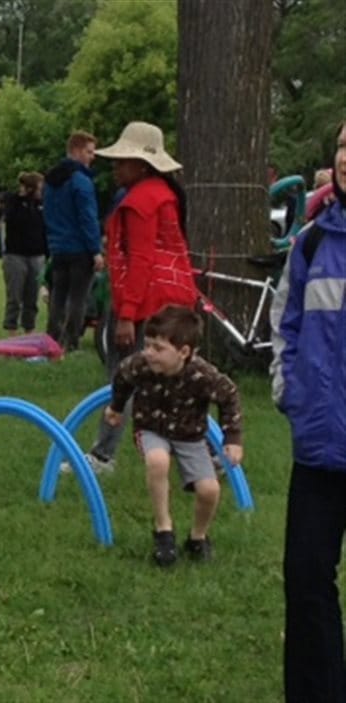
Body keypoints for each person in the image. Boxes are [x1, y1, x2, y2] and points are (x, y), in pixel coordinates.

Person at [270, 119, 346, 703]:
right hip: (320, 445)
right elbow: (286, 324)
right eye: (343, 145)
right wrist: (289, 391)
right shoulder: (312, 243)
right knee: (306, 580)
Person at [75, 121, 198, 475]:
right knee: (174, 381)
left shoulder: (140, 202)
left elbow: (140, 260)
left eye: (122, 160)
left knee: (123, 378)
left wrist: (127, 314)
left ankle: (102, 455)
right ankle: (203, 454)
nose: (115, 167)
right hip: (174, 299)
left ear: (142, 166)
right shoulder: (165, 194)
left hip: (146, 302)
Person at [102, 305, 241, 567]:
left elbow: (229, 396)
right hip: (150, 428)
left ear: (183, 352)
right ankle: (163, 529)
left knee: (209, 490)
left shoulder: (202, 374)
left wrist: (232, 439)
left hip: (190, 437)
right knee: (158, 461)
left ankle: (197, 538)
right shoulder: (140, 365)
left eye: (158, 348)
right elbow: (122, 377)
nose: (148, 353)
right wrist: (116, 407)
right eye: (147, 345)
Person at [43, 131, 102, 351]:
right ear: (76, 151)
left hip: (58, 247)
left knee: (58, 295)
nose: (92, 157)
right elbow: (87, 217)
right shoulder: (81, 181)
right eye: (89, 152)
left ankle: (52, 338)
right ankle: (70, 341)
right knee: (78, 297)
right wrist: (95, 250)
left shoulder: (51, 181)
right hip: (79, 248)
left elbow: (48, 214)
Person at [1, 172, 47, 336]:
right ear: (30, 189)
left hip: (37, 255)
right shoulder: (13, 202)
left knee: (32, 297)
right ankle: (11, 329)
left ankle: (29, 329)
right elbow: (12, 219)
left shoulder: (42, 205)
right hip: (16, 255)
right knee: (14, 296)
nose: (41, 192)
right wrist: (23, 199)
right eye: (39, 188)